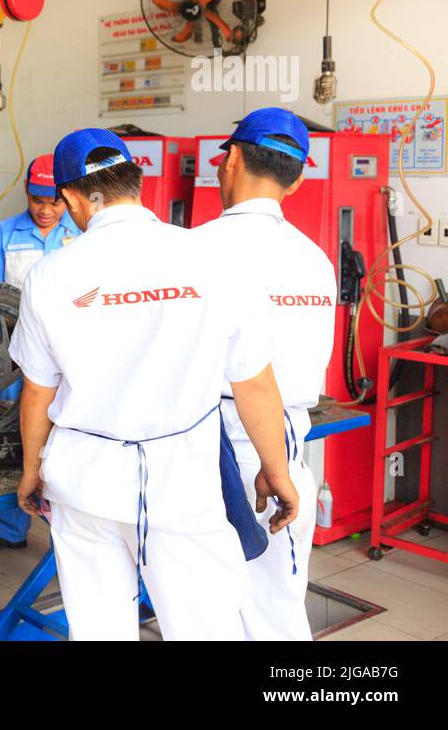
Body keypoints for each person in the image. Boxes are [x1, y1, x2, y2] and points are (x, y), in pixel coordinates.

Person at [10, 128, 299, 640]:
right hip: (182, 487)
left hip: (85, 484)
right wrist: (275, 469)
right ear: (135, 184)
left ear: (74, 198)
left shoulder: (51, 275)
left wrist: (32, 470)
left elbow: (38, 390)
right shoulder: (209, 258)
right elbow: (253, 382)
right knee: (205, 628)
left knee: (99, 629)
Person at [197, 108, 335, 640]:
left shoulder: (196, 250)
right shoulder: (315, 260)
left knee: (209, 608)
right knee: (278, 603)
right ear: (298, 179)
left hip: (213, 451)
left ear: (229, 160)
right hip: (289, 452)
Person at [0, 154, 81, 556]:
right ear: (26, 194)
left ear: (68, 197)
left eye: (54, 202)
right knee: (15, 437)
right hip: (15, 355)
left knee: (65, 438)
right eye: (37, 200)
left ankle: (67, 535)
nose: (45, 211)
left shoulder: (82, 235)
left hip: (71, 357)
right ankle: (9, 527)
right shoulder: (4, 233)